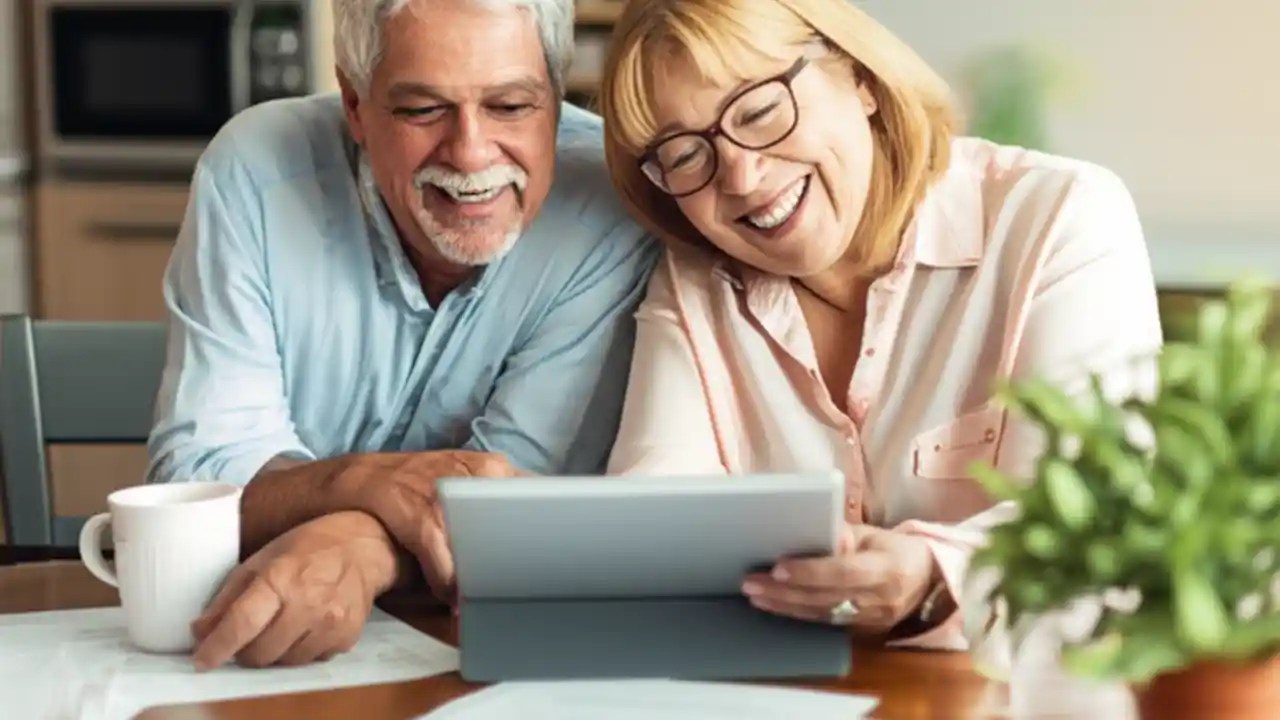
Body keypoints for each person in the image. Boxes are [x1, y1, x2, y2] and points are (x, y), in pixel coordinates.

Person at [598, 0, 1162, 650]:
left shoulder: (1060, 217)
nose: (742, 177)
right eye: (685, 155)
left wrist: (932, 580)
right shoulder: (695, 281)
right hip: (785, 688)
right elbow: (656, 520)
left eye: (759, 112)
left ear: (859, 76)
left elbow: (1097, 532)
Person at [147, 0, 657, 670]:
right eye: (422, 109)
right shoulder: (256, 172)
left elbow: (510, 506)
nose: (470, 153)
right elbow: (199, 481)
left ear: (557, 99)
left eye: (509, 106)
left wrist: (361, 544)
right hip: (248, 643)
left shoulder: (609, 206)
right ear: (355, 105)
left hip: (470, 660)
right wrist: (367, 482)